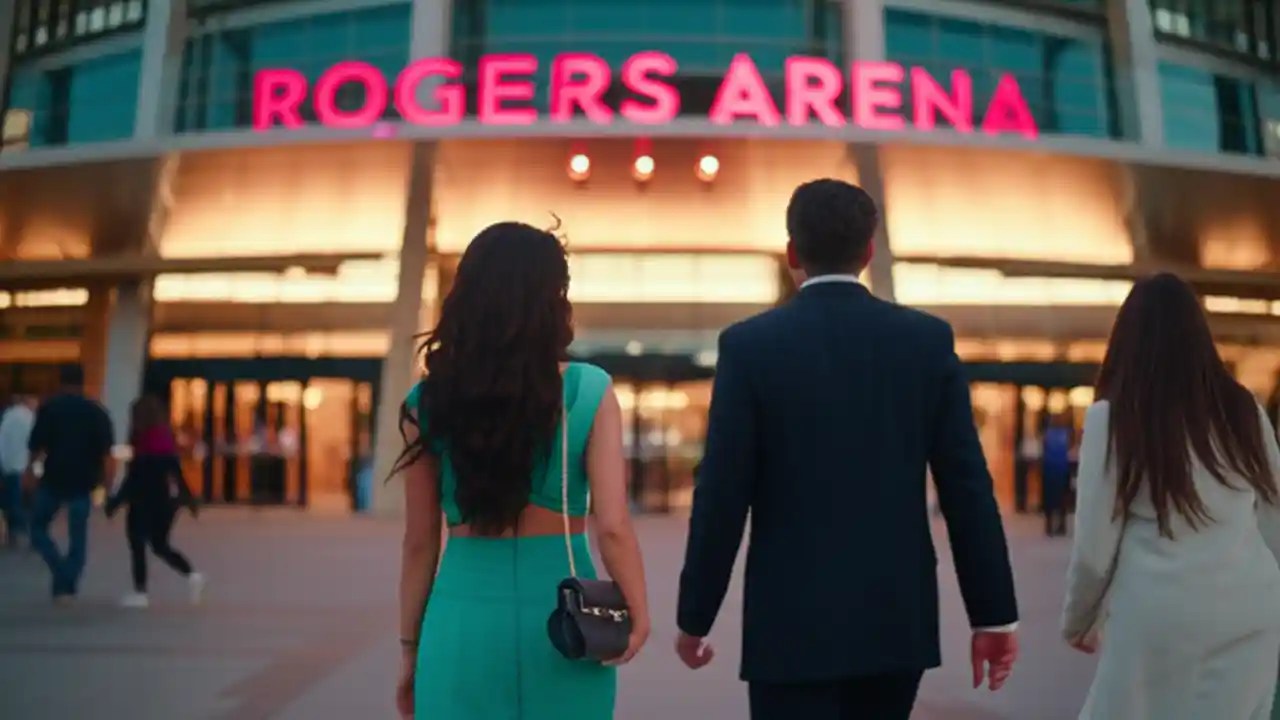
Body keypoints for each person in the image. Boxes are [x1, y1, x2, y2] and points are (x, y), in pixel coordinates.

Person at [675, 179, 1019, 720]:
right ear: (868, 251)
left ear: (793, 252)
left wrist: (695, 615)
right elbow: (967, 488)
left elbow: (721, 493)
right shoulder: (925, 341)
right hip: (893, 621)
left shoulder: (749, 346)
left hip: (789, 627)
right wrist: (993, 616)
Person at [393, 221, 650, 720]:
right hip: (564, 619)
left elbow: (419, 542)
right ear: (552, 300)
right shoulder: (589, 391)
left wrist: (409, 652)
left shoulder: (427, 402)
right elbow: (614, 527)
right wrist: (638, 611)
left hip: (460, 619)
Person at [1062, 273, 1280, 720]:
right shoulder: (1243, 409)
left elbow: (1093, 549)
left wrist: (1079, 620)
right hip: (1250, 611)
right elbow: (1275, 516)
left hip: (1157, 620)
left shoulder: (1115, 416)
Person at [26, 366, 115, 603]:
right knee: (78, 537)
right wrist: (107, 486)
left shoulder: (49, 409)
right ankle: (67, 582)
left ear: (61, 382)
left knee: (37, 529)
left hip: (53, 478)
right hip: (83, 482)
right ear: (83, 383)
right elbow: (108, 454)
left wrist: (30, 474)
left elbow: (36, 447)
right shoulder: (96, 412)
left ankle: (60, 572)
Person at [106, 396, 204, 609]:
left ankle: (140, 592)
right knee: (160, 544)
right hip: (165, 502)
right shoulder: (165, 440)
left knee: (137, 543)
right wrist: (189, 501)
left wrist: (115, 503)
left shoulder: (142, 443)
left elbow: (132, 479)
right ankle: (192, 575)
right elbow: (177, 474)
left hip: (141, 500)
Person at [0, 395, 36, 548]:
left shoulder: (7, 417)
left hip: (8, 466)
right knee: (28, 504)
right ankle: (30, 535)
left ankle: (12, 534)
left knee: (10, 502)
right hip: (26, 467)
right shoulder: (30, 418)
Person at [1041, 416, 1073, 537]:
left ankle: (1049, 526)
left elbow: (1044, 449)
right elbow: (1069, 448)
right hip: (1062, 469)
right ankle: (1061, 526)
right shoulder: (1066, 433)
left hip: (1049, 468)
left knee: (1049, 499)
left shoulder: (1047, 434)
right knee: (1062, 500)